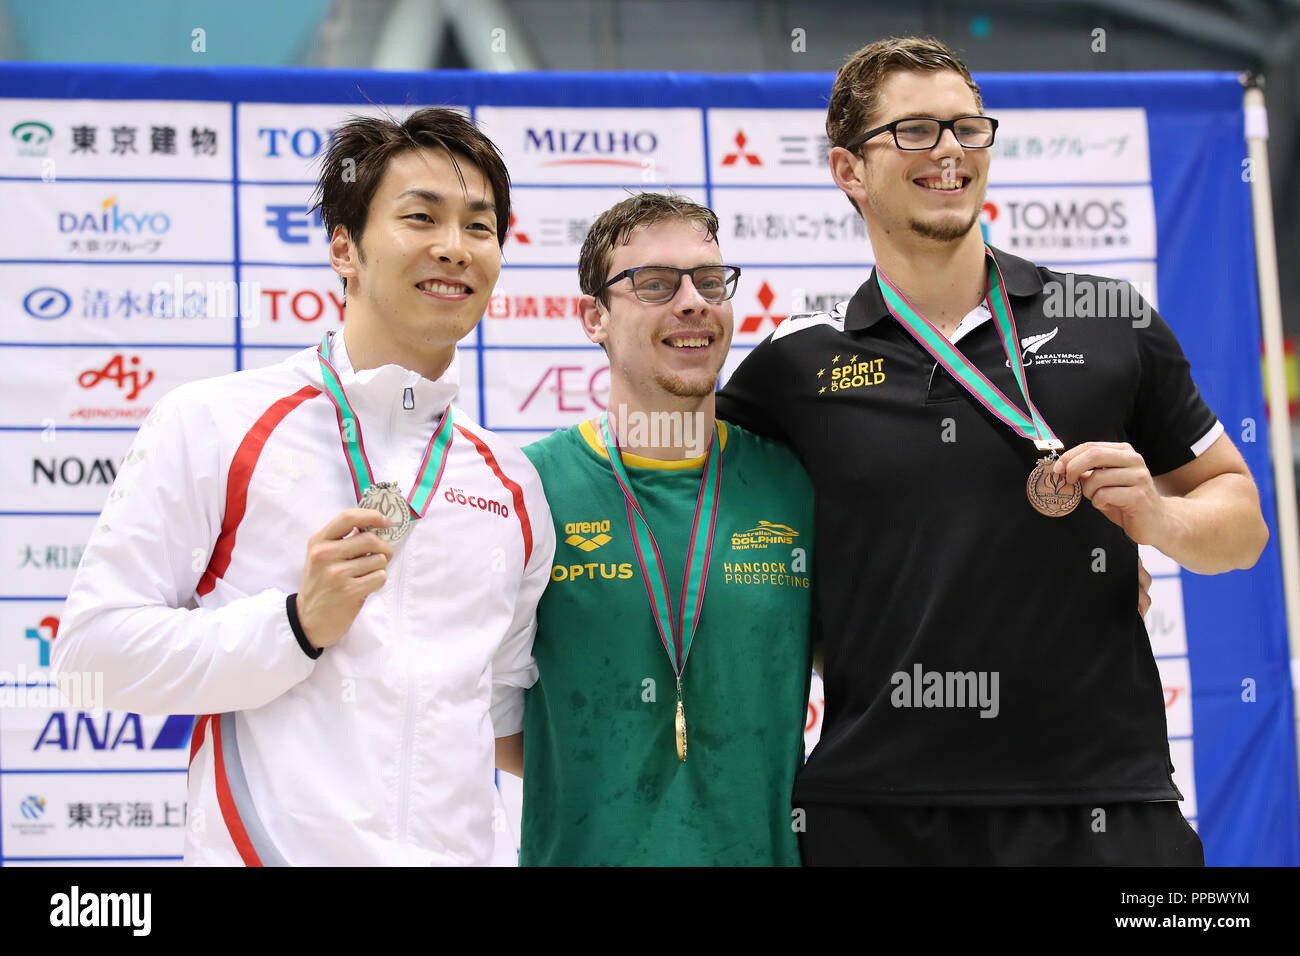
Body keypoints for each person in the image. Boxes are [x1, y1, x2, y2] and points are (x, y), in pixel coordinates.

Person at [715, 37, 1268, 866]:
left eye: (968, 128)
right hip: (877, 814)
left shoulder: (1106, 318)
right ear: (848, 171)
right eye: (914, 131)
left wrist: (1160, 519)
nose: (949, 151)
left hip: (1107, 805)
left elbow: (1243, 524)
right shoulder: (796, 365)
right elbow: (707, 536)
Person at [53, 108, 555, 866]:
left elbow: (502, 714)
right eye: (421, 217)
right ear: (343, 248)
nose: (454, 247)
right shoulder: (215, 424)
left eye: (479, 228)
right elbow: (91, 661)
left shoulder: (511, 484)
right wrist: (293, 624)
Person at [514, 193, 816, 865]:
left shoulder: (795, 482)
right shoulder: (527, 488)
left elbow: (859, 673)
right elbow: (481, 715)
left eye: (709, 281)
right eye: (655, 284)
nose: (693, 302)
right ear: (594, 316)